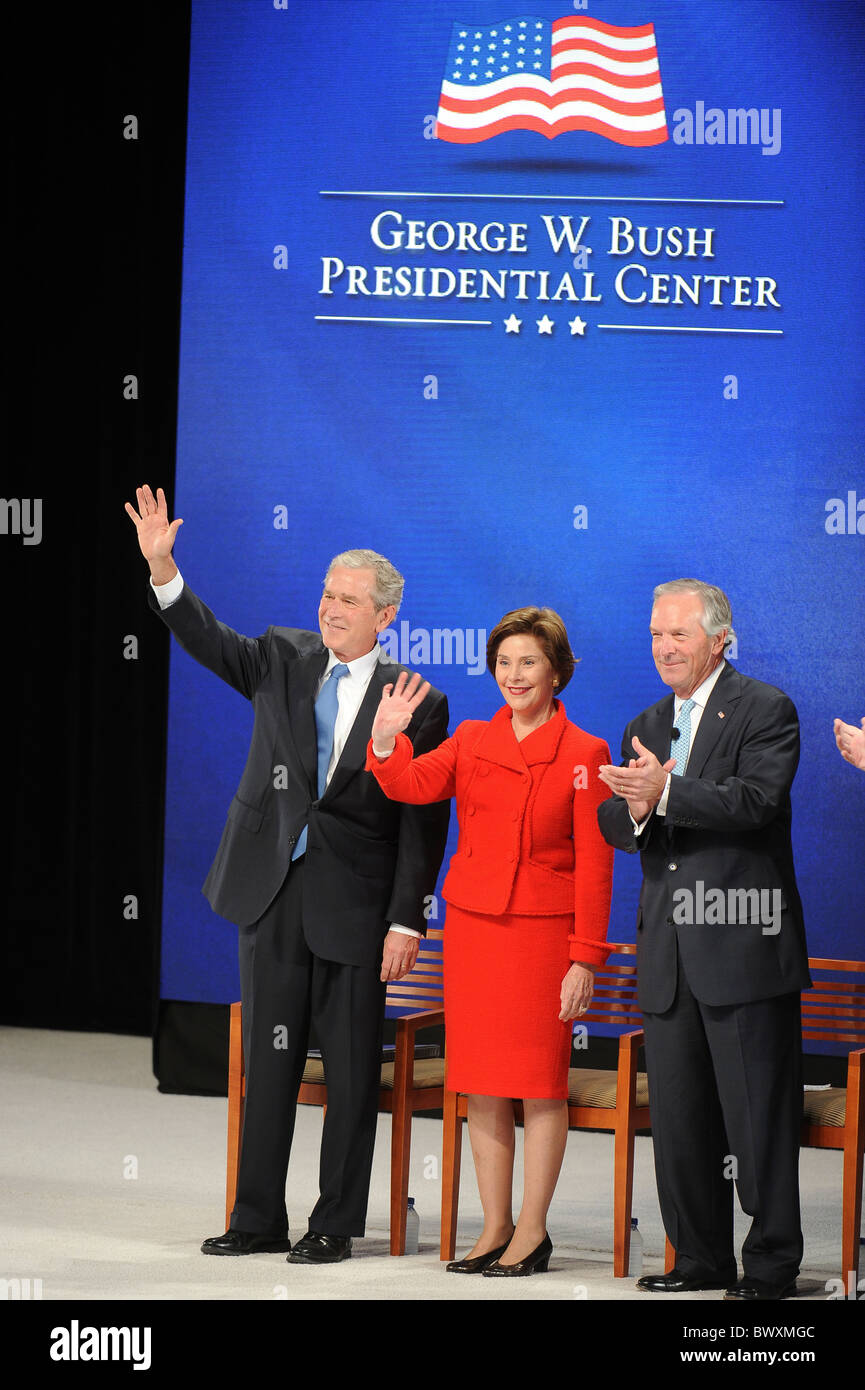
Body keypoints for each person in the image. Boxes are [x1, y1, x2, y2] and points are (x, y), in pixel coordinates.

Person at [125, 484, 449, 1263]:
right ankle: (255, 1216)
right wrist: (164, 570)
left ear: (385, 617)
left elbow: (422, 824)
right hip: (271, 889)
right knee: (267, 1064)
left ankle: (334, 1223)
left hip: (357, 907)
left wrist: (406, 921)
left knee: (346, 1074)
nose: (331, 609)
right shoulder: (280, 656)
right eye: (327, 594)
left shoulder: (418, 700)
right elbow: (207, 639)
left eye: (349, 600)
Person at [366, 607, 613, 1276]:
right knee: (480, 1084)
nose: (514, 674)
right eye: (503, 662)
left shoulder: (585, 754)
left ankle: (531, 1232)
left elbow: (595, 867)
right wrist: (387, 743)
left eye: (528, 662)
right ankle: (493, 1226)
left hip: (542, 939)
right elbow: (412, 786)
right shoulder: (473, 739)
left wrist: (584, 957)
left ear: (556, 671)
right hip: (474, 931)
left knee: (538, 1086)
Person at [597, 579, 811, 1302]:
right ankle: (700, 1258)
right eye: (655, 634)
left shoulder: (764, 708)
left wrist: (662, 793)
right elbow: (621, 820)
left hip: (743, 952)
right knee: (682, 1121)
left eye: (678, 634)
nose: (663, 647)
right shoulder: (648, 721)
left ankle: (773, 1266)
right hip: (668, 957)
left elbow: (754, 803)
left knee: (756, 1121)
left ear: (718, 638)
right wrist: (629, 804)